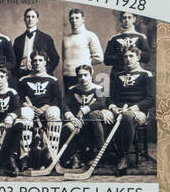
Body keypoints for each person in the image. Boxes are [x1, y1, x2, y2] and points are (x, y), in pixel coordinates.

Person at [102, 45, 154, 175]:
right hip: (119, 109)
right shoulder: (118, 75)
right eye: (126, 56)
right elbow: (110, 98)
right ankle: (106, 153)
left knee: (126, 116)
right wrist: (113, 108)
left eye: (131, 56)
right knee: (97, 115)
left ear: (138, 57)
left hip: (138, 112)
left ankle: (124, 156)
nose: (128, 59)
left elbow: (151, 99)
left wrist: (133, 108)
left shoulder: (146, 75)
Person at [16, 50, 63, 167]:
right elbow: (19, 98)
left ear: (46, 62)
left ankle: (51, 156)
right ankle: (24, 156)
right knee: (24, 114)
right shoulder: (24, 80)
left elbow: (57, 99)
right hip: (30, 110)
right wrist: (28, 106)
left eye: (40, 60)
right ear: (31, 63)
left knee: (55, 112)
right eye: (35, 60)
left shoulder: (52, 80)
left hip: (47, 110)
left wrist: (45, 107)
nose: (37, 63)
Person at [62, 64, 106, 169]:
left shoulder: (99, 88)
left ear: (91, 75)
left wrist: (84, 110)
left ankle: (99, 153)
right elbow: (64, 104)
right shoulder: (72, 89)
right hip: (77, 121)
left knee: (91, 120)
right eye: (80, 76)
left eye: (86, 75)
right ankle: (74, 156)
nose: (83, 78)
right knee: (69, 127)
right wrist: (71, 118)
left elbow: (101, 103)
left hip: (94, 122)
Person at [13, 7, 60, 78]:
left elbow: (55, 58)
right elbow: (13, 60)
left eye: (33, 17)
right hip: (22, 75)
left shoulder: (46, 38)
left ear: (37, 19)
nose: (30, 19)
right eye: (28, 17)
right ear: (24, 19)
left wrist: (44, 71)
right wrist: (17, 73)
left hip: (40, 75)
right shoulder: (18, 40)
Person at [105, 11, 152, 77]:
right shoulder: (114, 38)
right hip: (117, 74)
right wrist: (122, 55)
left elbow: (147, 58)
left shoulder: (141, 37)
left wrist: (137, 51)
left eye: (129, 17)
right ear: (121, 20)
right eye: (124, 18)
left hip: (135, 73)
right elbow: (106, 60)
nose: (127, 20)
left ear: (134, 19)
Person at [61, 8, 103, 82]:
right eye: (71, 18)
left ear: (83, 19)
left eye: (77, 18)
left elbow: (99, 58)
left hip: (83, 76)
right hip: (67, 76)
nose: (74, 21)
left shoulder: (90, 35)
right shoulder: (65, 38)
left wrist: (85, 64)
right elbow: (64, 58)